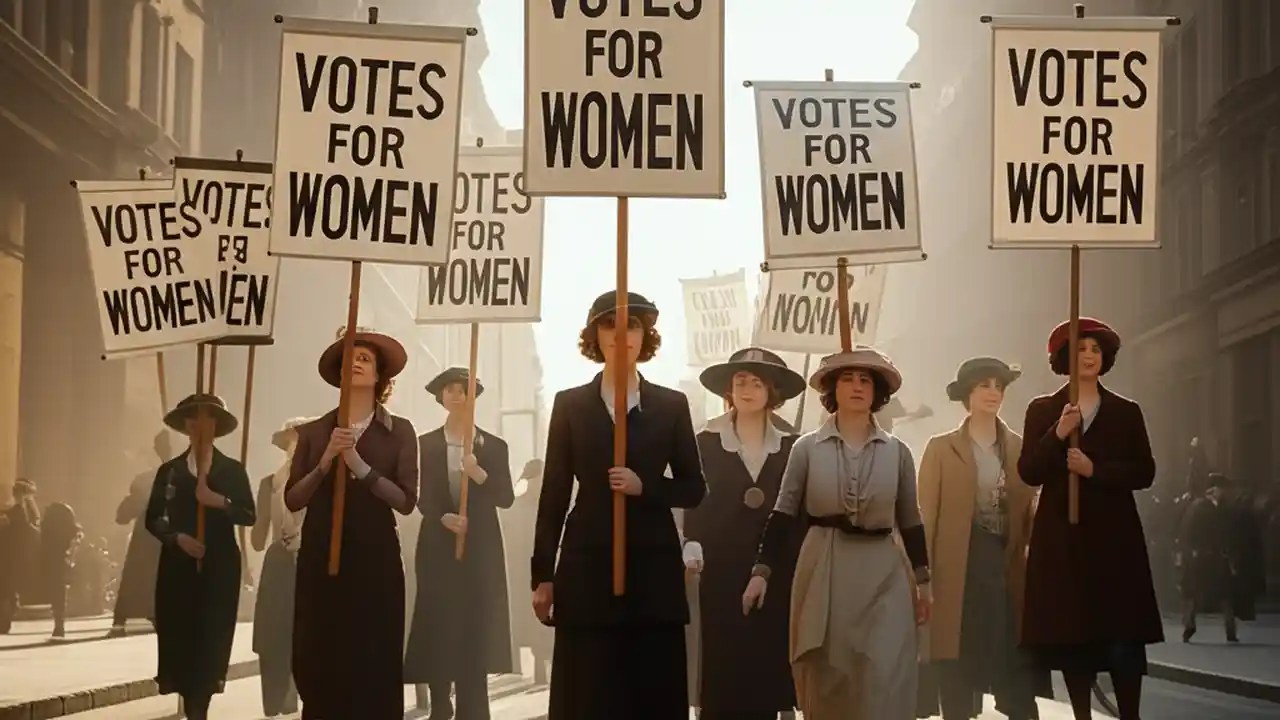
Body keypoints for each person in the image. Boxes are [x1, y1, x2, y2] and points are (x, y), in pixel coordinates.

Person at [531, 291, 706, 720]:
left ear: (645, 335)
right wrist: (542, 576)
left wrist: (645, 487)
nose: (621, 335)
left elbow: (693, 488)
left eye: (632, 325)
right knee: (588, 693)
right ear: (595, 335)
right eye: (610, 325)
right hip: (587, 565)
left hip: (652, 571)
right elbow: (553, 492)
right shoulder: (569, 404)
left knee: (652, 691)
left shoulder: (670, 405)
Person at [743, 347, 931, 720]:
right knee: (829, 672)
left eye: (866, 380)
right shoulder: (806, 448)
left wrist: (924, 583)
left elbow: (910, 519)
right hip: (825, 565)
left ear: (878, 392)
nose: (857, 387)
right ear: (833, 389)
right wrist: (761, 573)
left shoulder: (899, 452)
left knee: (886, 668)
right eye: (847, 378)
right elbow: (783, 513)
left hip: (883, 569)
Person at [1018, 318, 1162, 720]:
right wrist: (1058, 433)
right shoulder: (1044, 409)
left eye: (1096, 350)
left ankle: (1129, 713)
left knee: (1123, 640)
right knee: (1074, 637)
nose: (1089, 357)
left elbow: (1144, 471)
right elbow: (1029, 470)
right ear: (1065, 357)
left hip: (1115, 541)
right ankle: (1081, 713)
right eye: (1081, 349)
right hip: (1063, 538)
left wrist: (1095, 470)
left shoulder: (1126, 412)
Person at [286, 327, 419, 720]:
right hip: (322, 555)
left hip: (375, 559)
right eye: (349, 359)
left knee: (373, 660)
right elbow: (293, 498)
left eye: (365, 359)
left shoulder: (399, 432)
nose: (356, 364)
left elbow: (407, 501)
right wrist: (325, 460)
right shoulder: (313, 432)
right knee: (321, 657)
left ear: (380, 376)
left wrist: (360, 467)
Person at [917, 357, 1046, 719]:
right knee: (955, 669)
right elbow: (926, 516)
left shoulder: (1020, 449)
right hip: (957, 575)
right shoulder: (941, 449)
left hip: (1005, 571)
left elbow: (1031, 513)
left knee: (1014, 668)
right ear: (967, 395)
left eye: (998, 386)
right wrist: (921, 579)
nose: (992, 393)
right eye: (983, 385)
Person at [683, 347, 806, 720]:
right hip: (718, 567)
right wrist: (689, 542)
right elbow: (690, 501)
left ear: (773, 391)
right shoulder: (703, 442)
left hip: (776, 567)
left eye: (757, 382)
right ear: (728, 390)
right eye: (740, 381)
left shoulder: (793, 446)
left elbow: (799, 511)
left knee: (767, 668)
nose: (748, 389)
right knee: (722, 666)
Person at [405, 367, 515, 720]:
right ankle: (440, 699)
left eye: (463, 389)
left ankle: (475, 706)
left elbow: (506, 496)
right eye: (449, 389)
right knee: (439, 617)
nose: (456, 395)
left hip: (480, 546)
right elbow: (419, 494)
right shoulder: (425, 445)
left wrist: (478, 473)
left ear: (473, 397)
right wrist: (442, 517)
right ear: (440, 397)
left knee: (476, 619)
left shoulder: (493, 446)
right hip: (439, 543)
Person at [145, 393, 256, 720]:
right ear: (186, 425)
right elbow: (153, 518)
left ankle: (199, 710)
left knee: (210, 640)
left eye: (207, 418)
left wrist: (218, 501)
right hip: (178, 567)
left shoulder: (232, 470)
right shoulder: (170, 471)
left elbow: (249, 515)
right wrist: (176, 538)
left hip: (218, 566)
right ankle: (189, 701)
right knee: (179, 637)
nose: (199, 425)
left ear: (217, 425)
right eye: (193, 418)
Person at [251, 417, 310, 717]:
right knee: (276, 636)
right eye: (292, 441)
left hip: (313, 564)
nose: (296, 447)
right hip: (280, 564)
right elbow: (258, 538)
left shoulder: (324, 481)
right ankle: (280, 702)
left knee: (310, 637)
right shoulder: (270, 483)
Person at [109, 431, 169, 638]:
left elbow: (124, 514)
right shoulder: (148, 480)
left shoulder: (150, 479)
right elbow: (124, 514)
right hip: (154, 540)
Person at [0, 478, 40, 633]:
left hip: (9, 557)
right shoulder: (22, 512)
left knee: (6, 590)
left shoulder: (19, 512)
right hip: (13, 557)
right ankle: (4, 622)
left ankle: (4, 622)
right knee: (8, 590)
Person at [40, 501, 82, 639]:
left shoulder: (47, 529)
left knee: (55, 592)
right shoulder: (70, 531)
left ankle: (58, 622)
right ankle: (59, 622)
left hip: (50, 562)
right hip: (62, 561)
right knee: (60, 592)